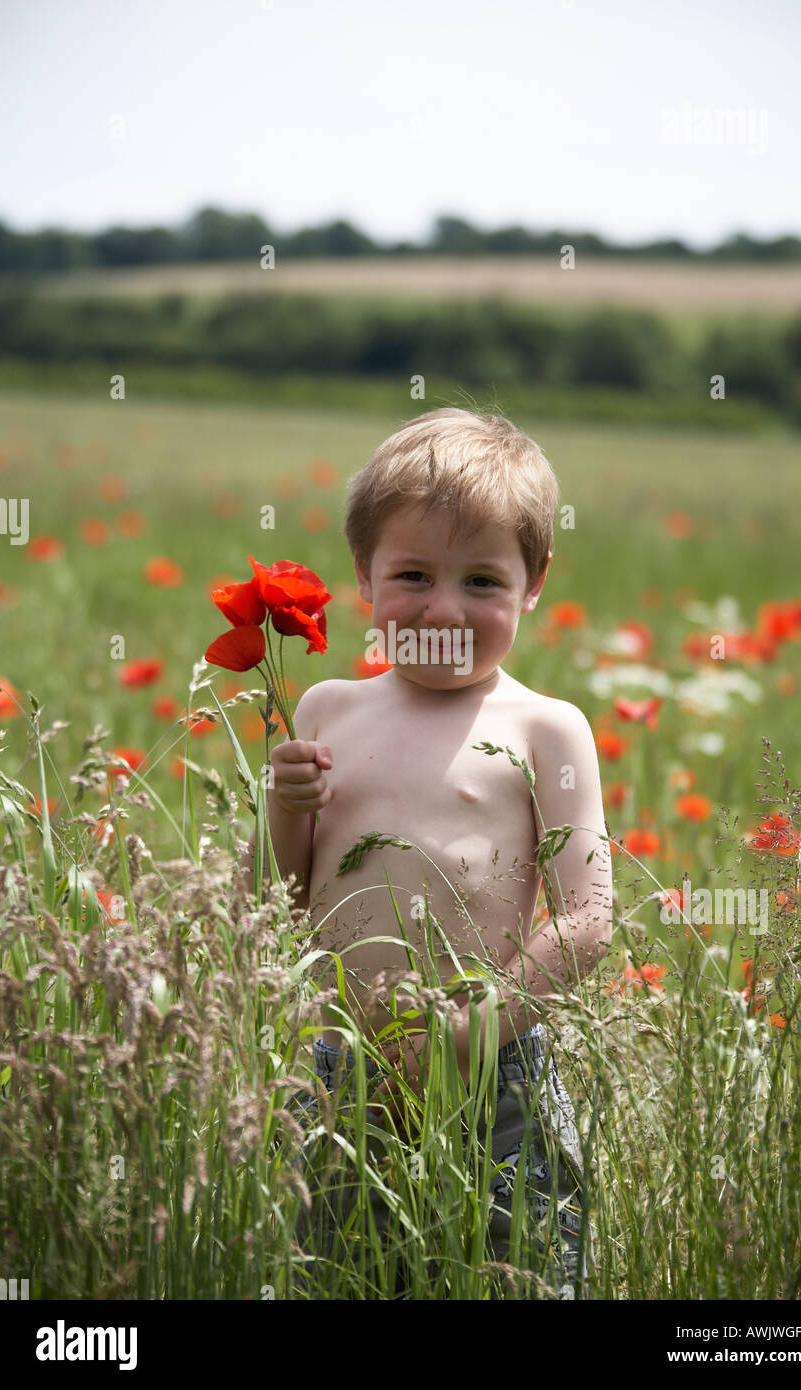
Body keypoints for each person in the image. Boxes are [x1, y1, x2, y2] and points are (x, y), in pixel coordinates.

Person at [242, 406, 613, 1298]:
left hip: (494, 1062)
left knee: (515, 1266)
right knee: (339, 1269)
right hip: (340, 1061)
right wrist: (286, 808)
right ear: (364, 576)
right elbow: (276, 900)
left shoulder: (546, 728)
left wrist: (469, 1030)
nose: (445, 608)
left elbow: (591, 918)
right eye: (413, 574)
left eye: (482, 581)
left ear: (535, 583)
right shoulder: (328, 709)